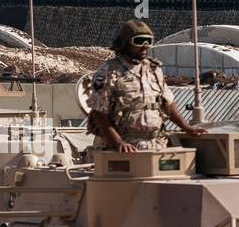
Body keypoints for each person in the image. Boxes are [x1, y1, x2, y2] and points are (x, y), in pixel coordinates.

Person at [87, 20, 207, 152]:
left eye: (149, 41)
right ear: (125, 43)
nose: (145, 46)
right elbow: (99, 114)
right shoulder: (109, 72)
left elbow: (168, 104)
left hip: (154, 145)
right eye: (139, 41)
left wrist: (186, 128)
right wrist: (118, 143)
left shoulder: (153, 70)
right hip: (123, 149)